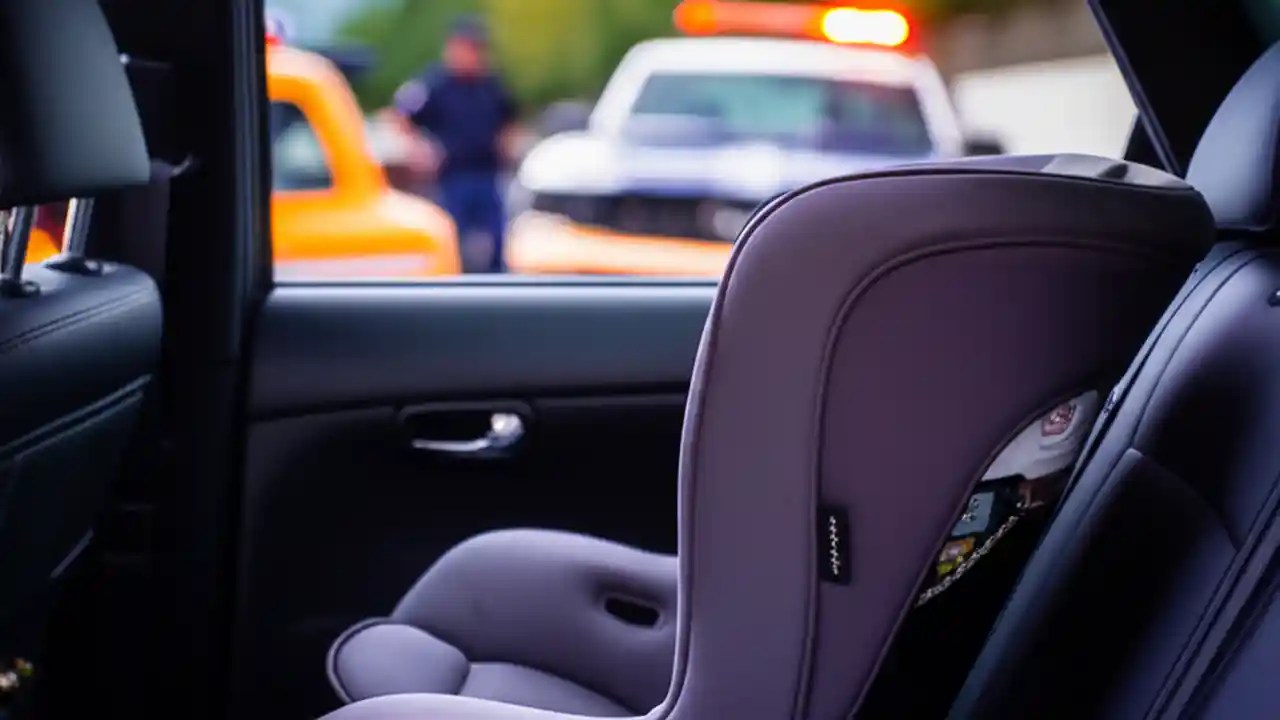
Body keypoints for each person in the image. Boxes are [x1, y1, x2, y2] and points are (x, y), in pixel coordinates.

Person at [390, 17, 519, 273]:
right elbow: (401, 114)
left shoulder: (490, 84)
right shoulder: (435, 83)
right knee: (451, 240)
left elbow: (510, 117)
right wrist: (419, 150)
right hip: (452, 176)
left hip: (487, 173)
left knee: (497, 239)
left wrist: (506, 145)